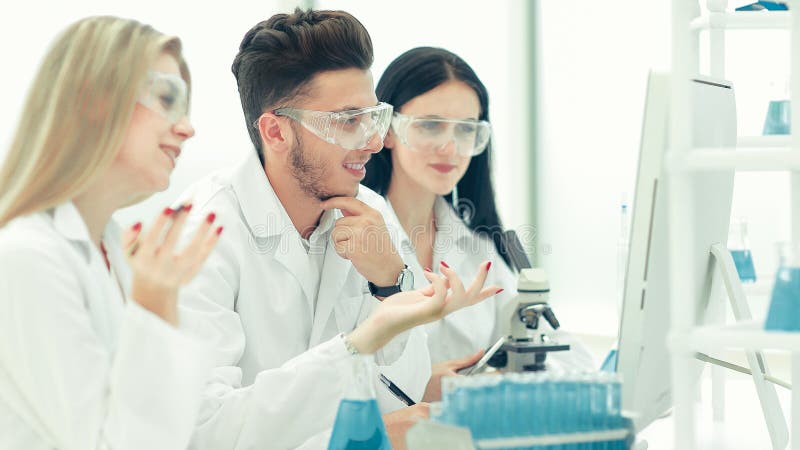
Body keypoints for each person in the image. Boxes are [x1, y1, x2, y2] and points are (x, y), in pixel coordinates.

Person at [174, 9, 501, 450]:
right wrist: (364, 430)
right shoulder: (201, 235)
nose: (372, 141)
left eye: (372, 117)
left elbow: (405, 386)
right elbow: (206, 430)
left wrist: (389, 284)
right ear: (275, 132)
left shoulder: (370, 211)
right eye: (348, 121)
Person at [0, 16, 219, 449]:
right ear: (94, 101)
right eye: (167, 97)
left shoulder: (111, 248)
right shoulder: (25, 257)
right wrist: (155, 308)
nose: (188, 128)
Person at [363, 47, 595, 399]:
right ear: (388, 131)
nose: (450, 148)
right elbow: (325, 372)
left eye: (466, 130)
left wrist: (494, 377)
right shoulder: (354, 234)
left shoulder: (476, 246)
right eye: (430, 125)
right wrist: (417, 385)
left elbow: (571, 357)